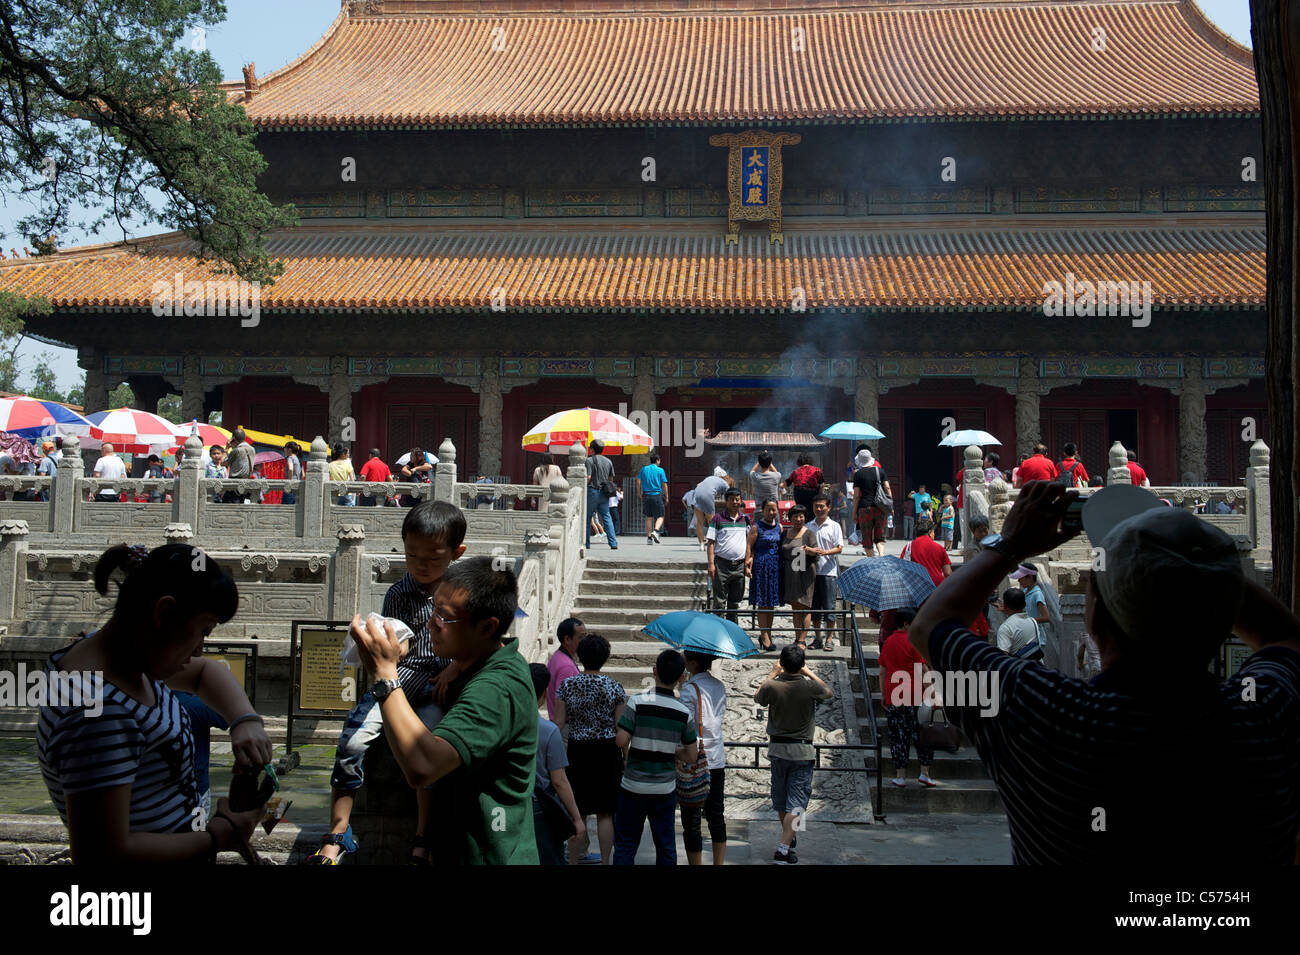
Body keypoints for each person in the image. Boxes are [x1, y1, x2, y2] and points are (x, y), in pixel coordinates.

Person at [911, 480, 1300, 863]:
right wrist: (1201, 564)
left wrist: (1010, 544)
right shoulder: (1266, 713)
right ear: (1225, 614)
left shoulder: (1044, 713)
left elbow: (930, 627)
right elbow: (1285, 637)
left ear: (1095, 613)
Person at [37, 543, 272, 862]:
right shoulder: (98, 712)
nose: (201, 649)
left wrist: (245, 721)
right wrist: (217, 836)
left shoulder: (121, 659)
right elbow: (102, 853)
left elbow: (204, 673)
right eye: (203, 631)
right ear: (163, 612)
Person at [349, 556, 540, 865]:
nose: (430, 624)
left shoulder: (496, 688)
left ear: (487, 626)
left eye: (443, 617)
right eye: (433, 610)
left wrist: (385, 674)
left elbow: (422, 766)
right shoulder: (486, 657)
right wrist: (457, 665)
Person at [311, 501, 467, 864]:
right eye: (413, 555)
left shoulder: (463, 593)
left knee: (429, 749)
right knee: (352, 740)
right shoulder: (398, 593)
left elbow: (476, 644)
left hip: (443, 683)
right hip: (401, 676)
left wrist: (454, 668)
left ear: (456, 553)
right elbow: (399, 643)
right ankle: (338, 829)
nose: (421, 564)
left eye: (433, 557)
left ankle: (423, 834)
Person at [613, 649, 697, 865]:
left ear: (654, 671)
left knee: (625, 844)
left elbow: (621, 740)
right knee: (666, 845)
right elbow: (691, 755)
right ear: (682, 677)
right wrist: (671, 749)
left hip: (633, 785)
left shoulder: (637, 702)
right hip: (664, 788)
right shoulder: (683, 713)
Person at [754, 646, 832, 864]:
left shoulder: (772, 685)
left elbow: (757, 697)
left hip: (778, 750)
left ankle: (787, 842)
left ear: (782, 662)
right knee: (796, 802)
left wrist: (772, 673)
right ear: (801, 664)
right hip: (802, 751)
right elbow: (828, 692)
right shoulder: (808, 687)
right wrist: (809, 672)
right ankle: (783, 848)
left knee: (781, 799)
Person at [555, 633, 627, 864]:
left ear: (581, 655)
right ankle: (606, 861)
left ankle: (573, 861)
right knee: (606, 813)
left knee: (578, 812)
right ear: (605, 657)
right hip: (606, 752)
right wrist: (625, 756)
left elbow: (558, 722)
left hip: (578, 750)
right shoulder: (614, 687)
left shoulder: (567, 685)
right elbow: (620, 729)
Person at [529, 664, 585, 866]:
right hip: (540, 807)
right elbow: (559, 781)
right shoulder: (549, 731)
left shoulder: (503, 727)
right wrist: (576, 818)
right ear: (545, 694)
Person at [878, 609, 937, 788]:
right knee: (922, 734)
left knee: (898, 736)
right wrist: (933, 694)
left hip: (894, 694)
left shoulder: (888, 642)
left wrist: (883, 694)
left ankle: (900, 775)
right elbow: (923, 669)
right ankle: (924, 773)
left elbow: (882, 671)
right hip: (915, 694)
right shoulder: (913, 642)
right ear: (906, 623)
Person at [678, 650, 727, 865]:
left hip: (695, 757)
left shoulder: (689, 689)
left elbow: (685, 724)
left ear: (694, 663)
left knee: (691, 819)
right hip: (716, 755)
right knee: (716, 815)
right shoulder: (719, 685)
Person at [707, 487, 753, 625]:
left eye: (737, 499)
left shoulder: (746, 519)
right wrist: (710, 564)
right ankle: (717, 633)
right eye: (731, 499)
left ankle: (733, 632)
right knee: (719, 602)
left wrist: (748, 561)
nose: (735, 502)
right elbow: (710, 542)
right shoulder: (717, 519)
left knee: (734, 602)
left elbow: (749, 542)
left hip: (739, 565)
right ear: (726, 501)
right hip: (721, 565)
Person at [806, 494, 844, 651]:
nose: (819, 509)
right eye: (816, 506)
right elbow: (802, 548)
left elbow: (840, 548)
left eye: (822, 506)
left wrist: (824, 552)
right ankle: (817, 638)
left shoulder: (834, 526)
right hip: (812, 573)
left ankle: (829, 638)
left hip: (829, 571)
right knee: (814, 608)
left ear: (829, 508)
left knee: (829, 607)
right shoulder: (808, 526)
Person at [780, 504, 818, 649]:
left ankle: (803, 639)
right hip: (790, 573)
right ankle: (797, 637)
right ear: (790, 518)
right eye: (795, 516)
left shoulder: (809, 533)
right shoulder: (785, 533)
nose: (798, 519)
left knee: (805, 605)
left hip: (805, 572)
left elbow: (816, 551)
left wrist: (808, 550)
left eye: (801, 516)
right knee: (795, 606)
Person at [748, 499, 783, 651]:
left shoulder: (779, 527)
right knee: (763, 602)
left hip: (775, 566)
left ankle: (768, 632)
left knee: (771, 602)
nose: (771, 512)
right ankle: (764, 635)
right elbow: (749, 546)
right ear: (763, 510)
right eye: (768, 509)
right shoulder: (756, 527)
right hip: (761, 566)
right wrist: (747, 563)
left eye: (774, 509)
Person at [851, 447, 891, 557]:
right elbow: (887, 488)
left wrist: (854, 513)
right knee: (880, 537)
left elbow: (857, 496)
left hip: (864, 509)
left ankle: (872, 561)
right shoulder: (880, 471)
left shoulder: (858, 474)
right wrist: (890, 506)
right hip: (880, 508)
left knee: (867, 540)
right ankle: (881, 557)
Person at [547, 617, 585, 721]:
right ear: (567, 639)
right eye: (581, 637)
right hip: (565, 726)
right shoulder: (566, 666)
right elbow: (562, 701)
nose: (584, 641)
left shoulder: (557, 656)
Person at [585, 439, 618, 549]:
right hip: (604, 492)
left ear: (592, 449)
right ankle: (613, 543)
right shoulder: (609, 461)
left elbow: (588, 477)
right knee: (606, 517)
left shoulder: (589, 461)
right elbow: (611, 478)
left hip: (592, 491)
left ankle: (586, 543)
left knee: (588, 517)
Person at [1009, 563, 1050, 649]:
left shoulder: (1037, 594)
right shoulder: (1024, 592)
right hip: (1026, 638)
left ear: (1030, 577)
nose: (1018, 581)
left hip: (1036, 640)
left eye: (1020, 578)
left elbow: (1046, 617)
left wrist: (1027, 621)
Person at [692, 468, 733, 552]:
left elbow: (698, 485)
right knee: (712, 522)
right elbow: (730, 496)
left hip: (695, 495)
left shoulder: (709, 478)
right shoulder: (724, 483)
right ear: (725, 477)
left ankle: (701, 544)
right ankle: (713, 544)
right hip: (707, 496)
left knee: (700, 522)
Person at [903, 518, 953, 587]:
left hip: (916, 587)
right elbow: (948, 573)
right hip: (936, 587)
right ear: (930, 532)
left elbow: (903, 567)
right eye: (933, 532)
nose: (934, 534)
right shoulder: (939, 548)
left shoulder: (908, 547)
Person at [995, 588, 1042, 660]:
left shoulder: (1005, 628)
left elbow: (1003, 658)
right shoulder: (1033, 621)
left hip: (1019, 669)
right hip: (1036, 666)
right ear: (1025, 604)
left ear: (1005, 605)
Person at [636, 451, 669, 543]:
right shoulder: (660, 470)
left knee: (648, 517)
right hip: (657, 495)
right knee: (661, 515)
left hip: (646, 495)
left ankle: (649, 538)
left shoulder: (643, 469)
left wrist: (639, 493)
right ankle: (656, 531)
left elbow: (638, 481)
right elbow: (664, 484)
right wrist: (666, 497)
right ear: (657, 461)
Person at [224, 428, 255, 503]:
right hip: (246, 480)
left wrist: (227, 449)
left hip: (234, 482)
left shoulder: (236, 450)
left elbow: (224, 463)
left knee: (231, 504)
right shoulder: (252, 449)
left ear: (233, 439)